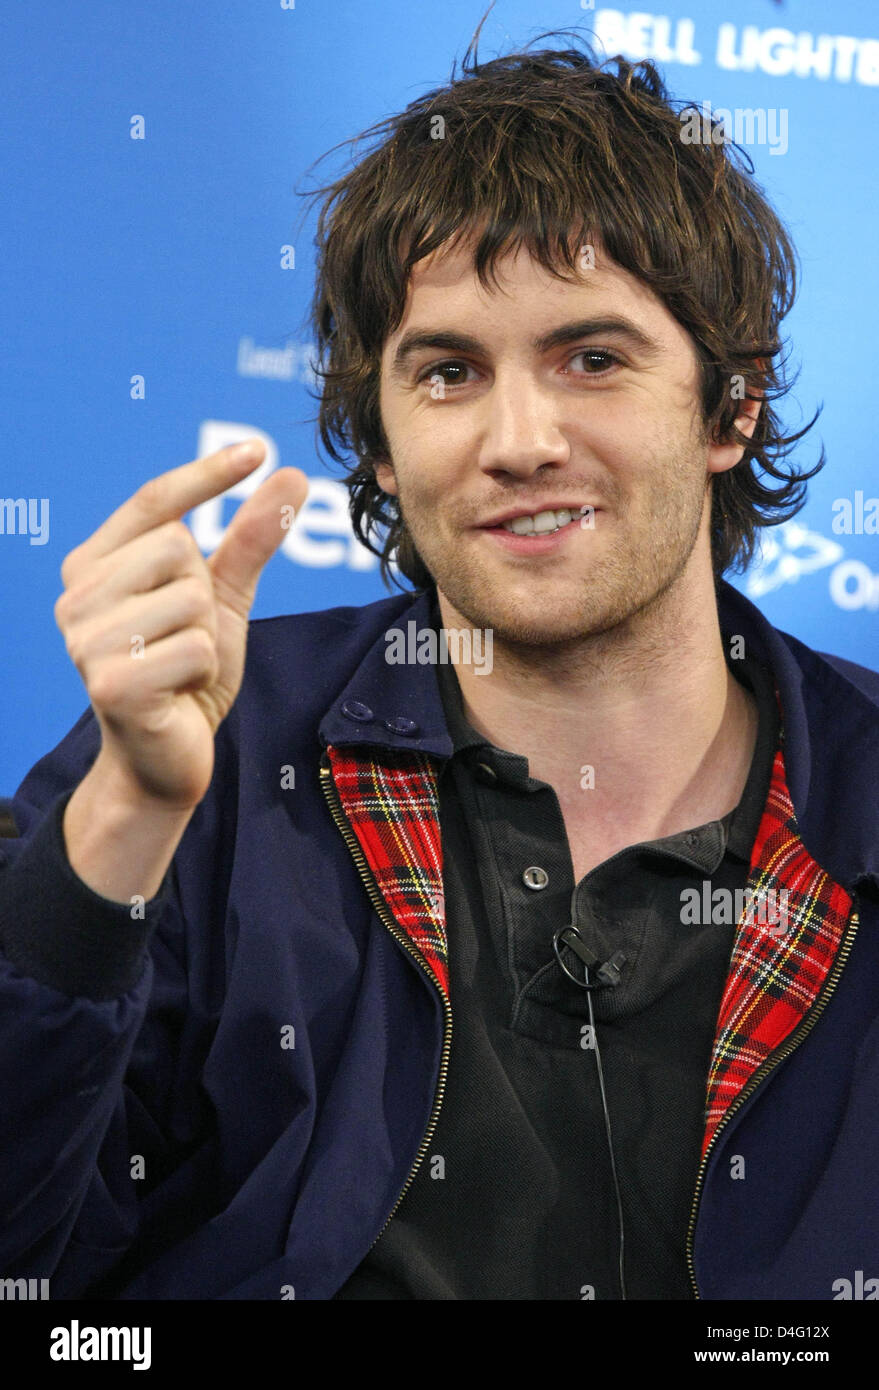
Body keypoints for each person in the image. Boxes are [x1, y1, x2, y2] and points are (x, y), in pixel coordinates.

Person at [1, 35, 878, 1303]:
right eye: (450, 371)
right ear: (384, 439)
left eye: (593, 357)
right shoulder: (206, 757)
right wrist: (119, 829)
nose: (519, 441)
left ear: (729, 407)